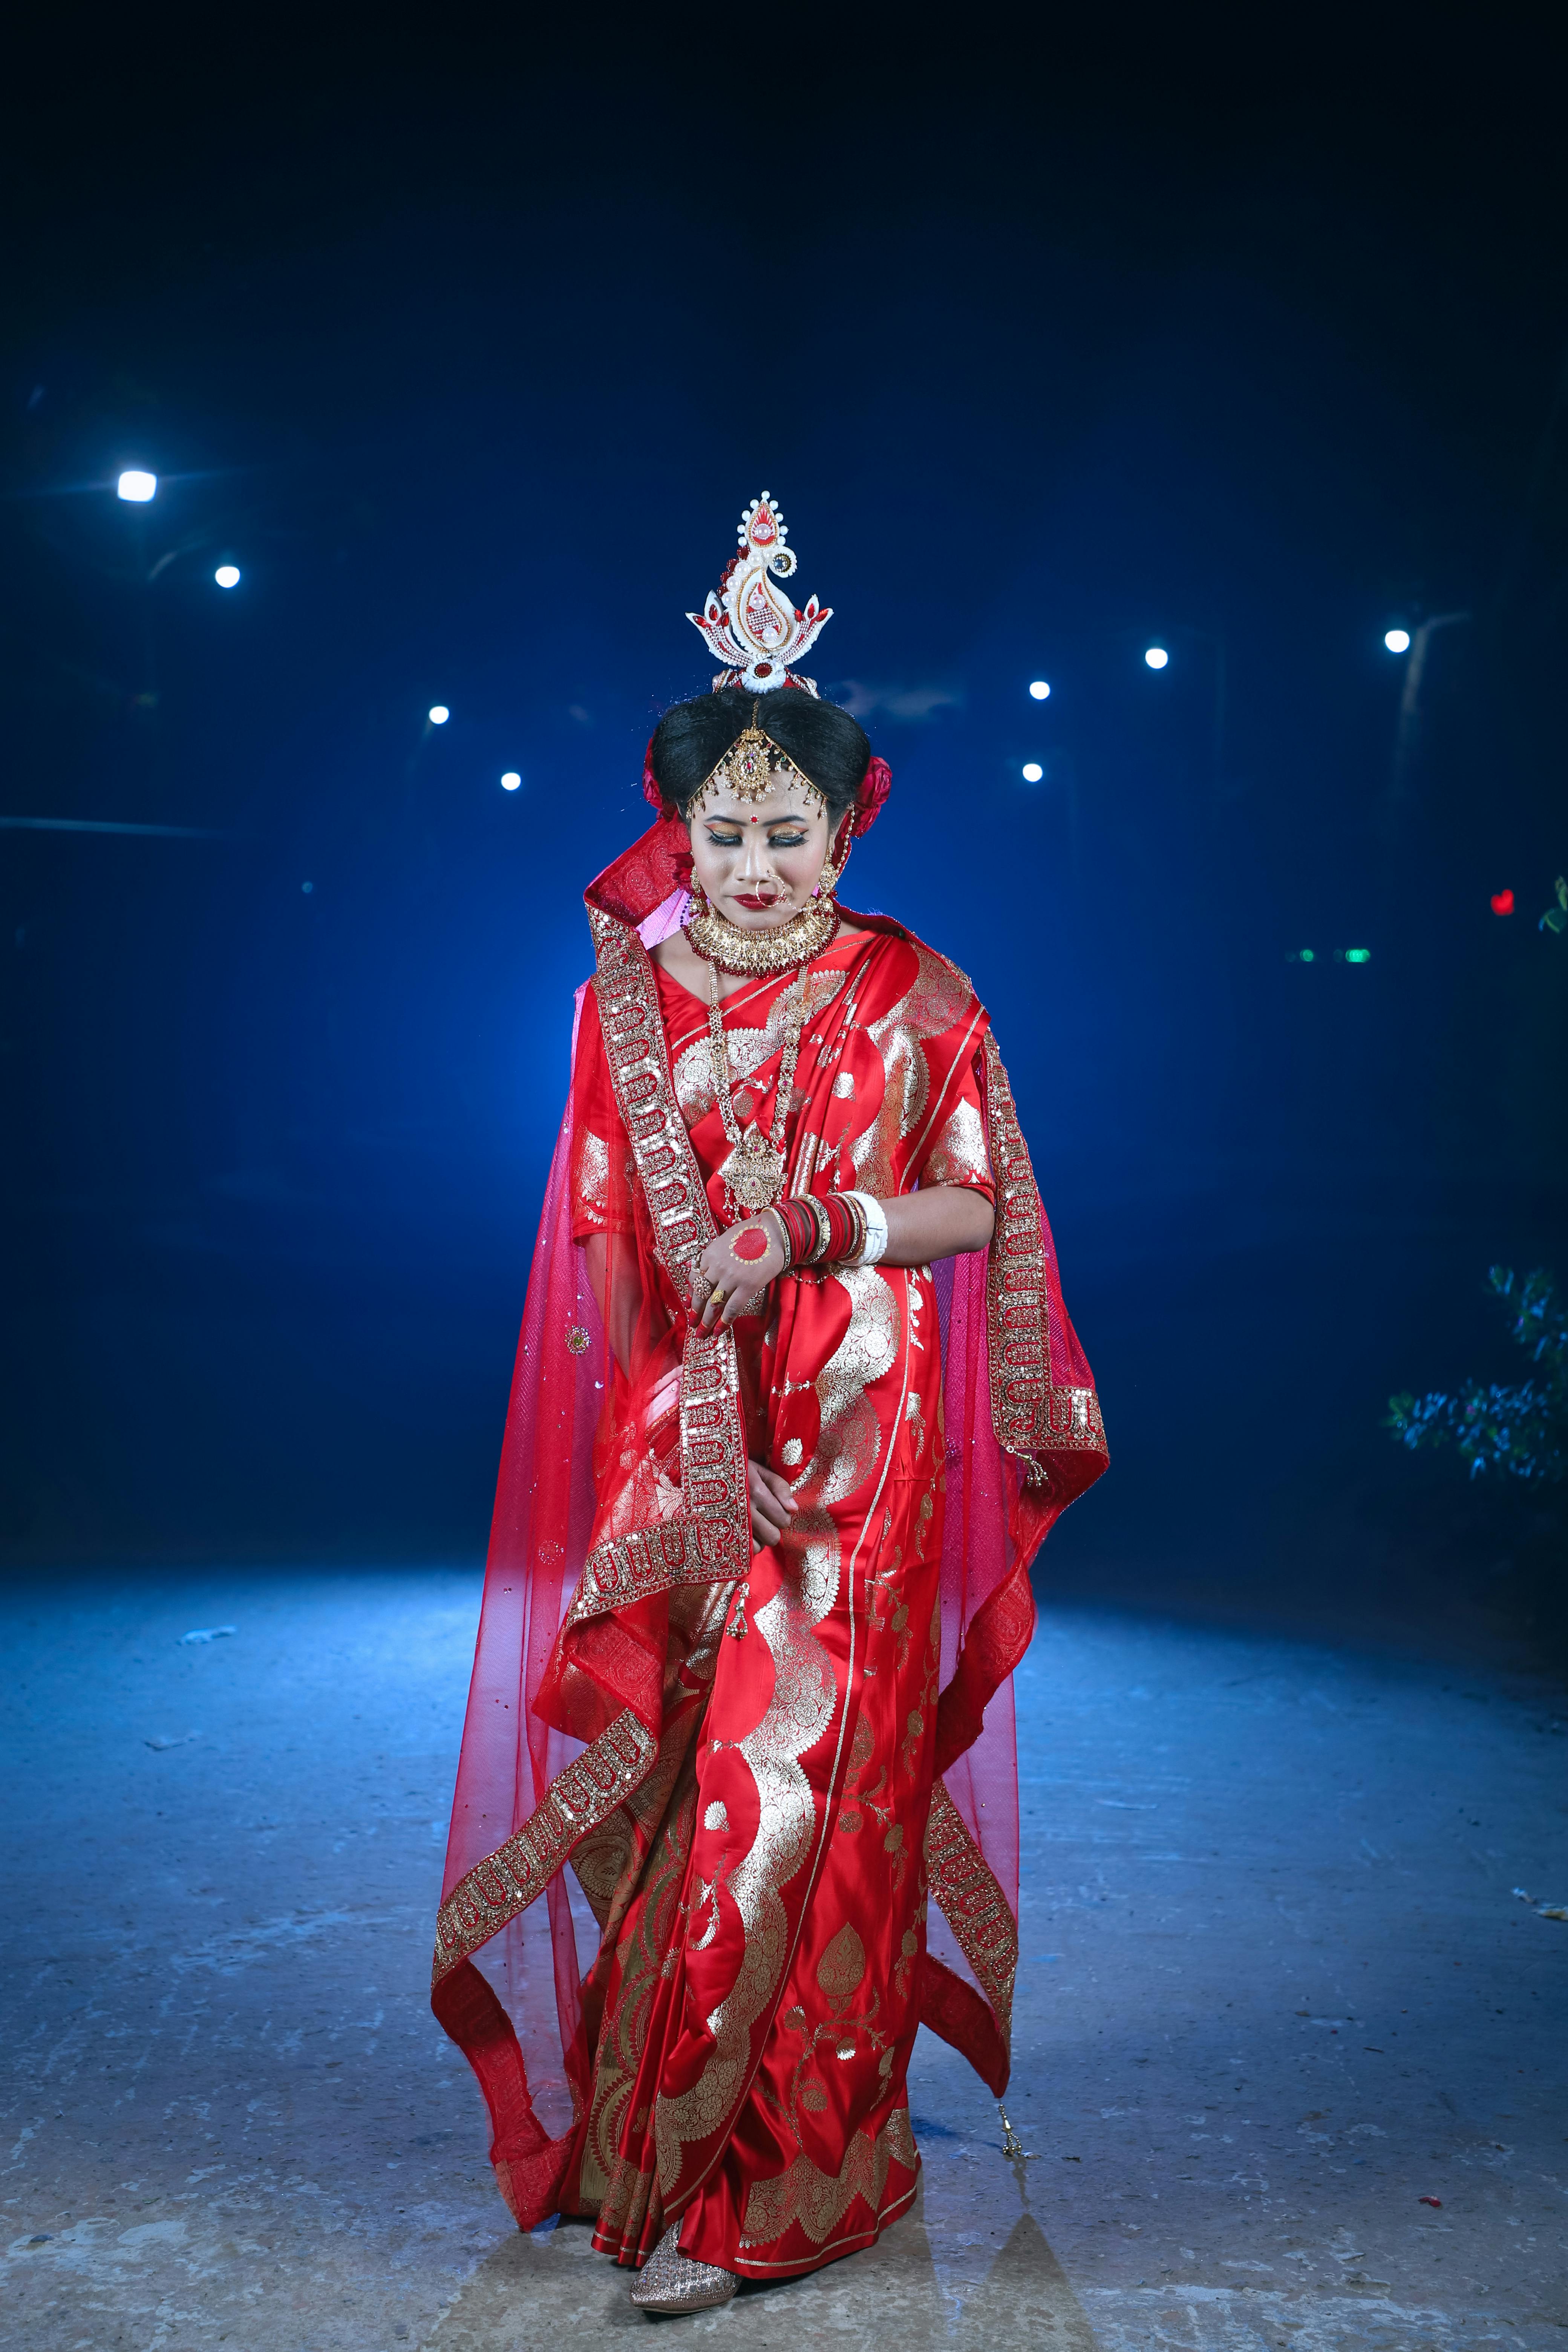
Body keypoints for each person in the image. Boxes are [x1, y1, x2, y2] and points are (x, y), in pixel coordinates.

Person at [431, 494, 1107, 2316]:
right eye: (718, 832)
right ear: (680, 831)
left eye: (780, 831)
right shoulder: (626, 1004)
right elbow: (599, 1232)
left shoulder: (911, 989)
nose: (746, 865)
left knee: (803, 1791)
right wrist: (639, 1431)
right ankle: (662, 2153)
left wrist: (811, 1229)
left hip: (861, 1452)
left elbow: (979, 1207)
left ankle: (778, 2195)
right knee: (670, 1791)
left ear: (843, 826)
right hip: (683, 1448)